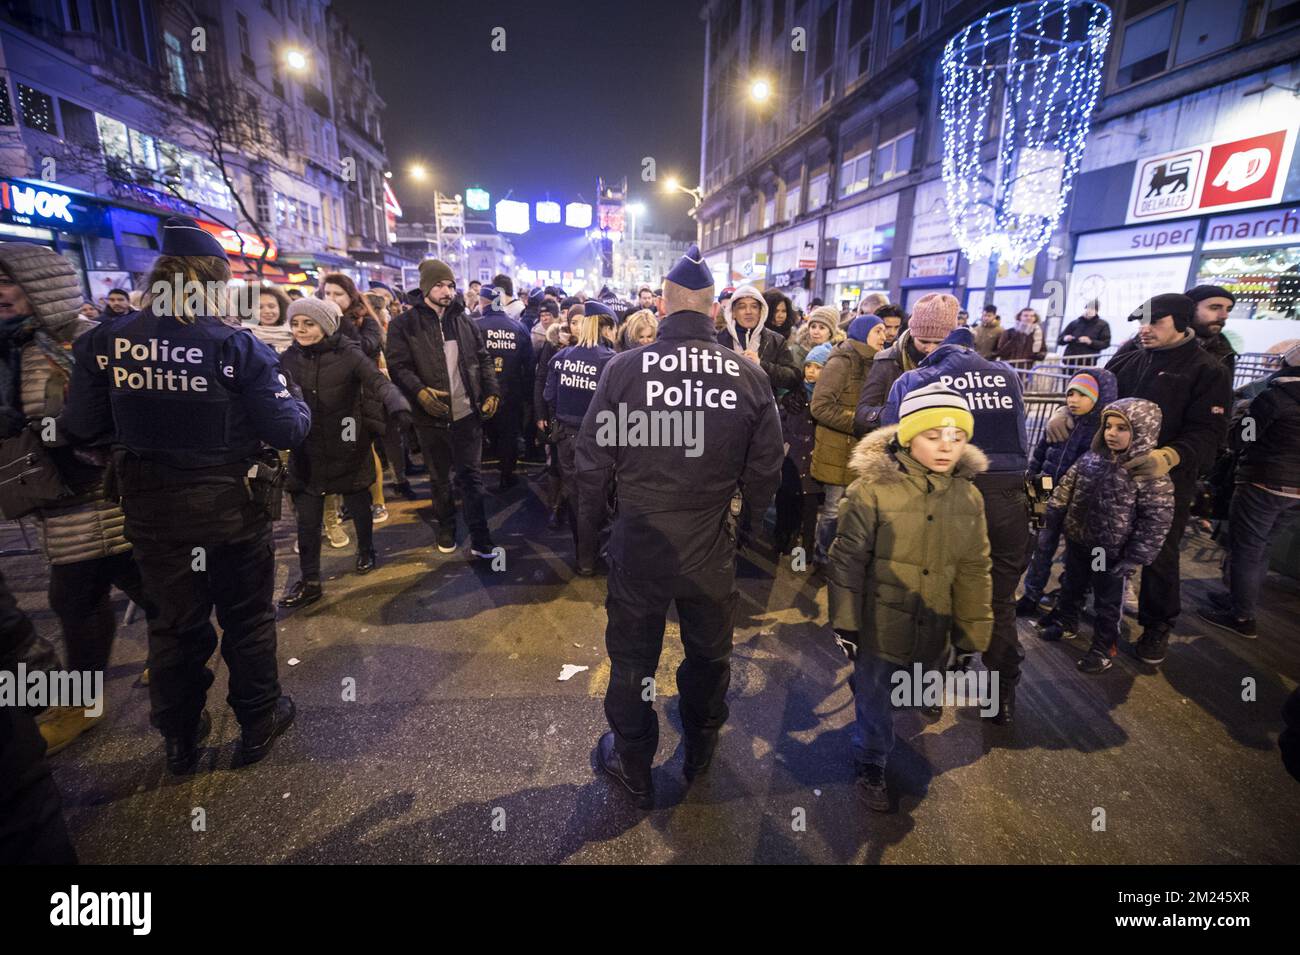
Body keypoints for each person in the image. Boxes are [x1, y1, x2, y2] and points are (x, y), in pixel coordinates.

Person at [60, 215, 311, 774]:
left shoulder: (106, 341)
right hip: (230, 511)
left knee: (175, 624)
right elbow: (287, 429)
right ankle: (258, 719)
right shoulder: (233, 345)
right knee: (245, 619)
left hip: (152, 512)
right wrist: (295, 400)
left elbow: (81, 428)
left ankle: (179, 736)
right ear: (214, 282)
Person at [575, 244, 784, 808]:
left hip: (639, 541)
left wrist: (587, 544)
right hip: (709, 545)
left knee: (634, 660)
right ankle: (700, 750)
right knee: (709, 655)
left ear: (664, 307)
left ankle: (634, 761)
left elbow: (591, 463)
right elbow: (767, 468)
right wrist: (742, 531)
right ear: (714, 311)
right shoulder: (747, 375)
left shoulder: (625, 368)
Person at [0, 242, 151, 754]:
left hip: (93, 491)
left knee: (74, 597)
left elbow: (112, 415)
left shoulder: (85, 343)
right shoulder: (17, 346)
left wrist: (51, 430)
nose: (0, 294)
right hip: (52, 493)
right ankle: (182, 645)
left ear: (40, 286)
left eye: (7, 282)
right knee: (139, 583)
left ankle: (76, 705)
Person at [827, 383, 992, 811]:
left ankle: (920, 695)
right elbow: (847, 560)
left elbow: (975, 567)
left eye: (957, 437)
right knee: (876, 693)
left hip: (934, 618)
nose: (946, 447)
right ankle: (871, 759)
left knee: (918, 680)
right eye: (933, 435)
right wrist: (846, 622)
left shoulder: (969, 496)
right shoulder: (872, 490)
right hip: (881, 622)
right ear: (907, 436)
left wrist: (971, 632)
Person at [879, 294, 1030, 723]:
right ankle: (1000, 694)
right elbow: (1021, 445)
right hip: (1008, 499)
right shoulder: (1005, 375)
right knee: (998, 601)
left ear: (921, 338)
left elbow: (895, 450)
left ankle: (926, 688)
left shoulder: (913, 382)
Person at [1079, 293, 1232, 665]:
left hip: (1165, 483)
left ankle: (1158, 625)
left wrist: (1170, 456)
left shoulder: (1207, 370)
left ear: (1181, 324)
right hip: (1112, 474)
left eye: (1155, 323)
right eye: (1141, 323)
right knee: (1097, 539)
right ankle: (1087, 600)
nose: (1144, 331)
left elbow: (1210, 432)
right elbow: (1094, 394)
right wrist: (1068, 412)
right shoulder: (1130, 359)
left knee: (1159, 554)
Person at [277, 298, 410, 608]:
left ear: (325, 325)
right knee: (307, 521)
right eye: (295, 323)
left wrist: (397, 404)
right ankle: (310, 581)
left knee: (358, 503)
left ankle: (366, 549)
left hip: (347, 443)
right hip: (307, 450)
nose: (301, 330)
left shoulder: (348, 353)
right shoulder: (288, 359)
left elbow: (377, 381)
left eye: (308, 323)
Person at [1036, 399, 1175, 673]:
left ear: (1143, 432)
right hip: (1078, 538)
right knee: (1071, 586)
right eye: (1109, 426)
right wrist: (1052, 512)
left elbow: (1156, 520)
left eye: (1122, 428)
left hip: (1110, 551)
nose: (1112, 433)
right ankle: (1066, 622)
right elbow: (1066, 487)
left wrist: (1135, 556)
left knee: (1106, 602)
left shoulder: (1149, 476)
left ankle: (1103, 647)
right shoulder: (1090, 458)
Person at [385, 258, 501, 558]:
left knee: (472, 478)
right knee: (439, 479)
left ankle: (480, 536)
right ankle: (447, 527)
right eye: (439, 285)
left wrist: (492, 392)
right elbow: (398, 366)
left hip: (467, 414)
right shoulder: (403, 325)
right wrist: (420, 393)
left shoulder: (465, 321)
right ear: (425, 289)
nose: (446, 291)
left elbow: (483, 358)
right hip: (431, 417)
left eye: (450, 284)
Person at [1198, 342, 1300, 638]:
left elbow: (1242, 437)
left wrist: (1240, 416)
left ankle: (1241, 616)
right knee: (1263, 546)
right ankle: (1239, 601)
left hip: (1264, 483)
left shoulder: (1275, 396)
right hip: (1295, 491)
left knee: (1246, 548)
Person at [1017, 369, 1118, 615]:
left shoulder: (1103, 434)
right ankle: (1031, 594)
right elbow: (1040, 453)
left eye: (1082, 395)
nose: (1073, 399)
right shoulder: (1060, 422)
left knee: (1076, 555)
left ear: (1099, 398)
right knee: (1039, 547)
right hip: (1043, 488)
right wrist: (1031, 484)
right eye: (1070, 393)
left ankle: (1069, 602)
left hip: (1075, 500)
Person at [544, 301, 617, 573]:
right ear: (604, 326)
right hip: (597, 440)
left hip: (566, 438)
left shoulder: (561, 357)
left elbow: (549, 396)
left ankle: (582, 553)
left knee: (576, 498)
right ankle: (589, 558)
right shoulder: (611, 361)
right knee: (594, 500)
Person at [810, 310, 885, 574]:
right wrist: (860, 421)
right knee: (833, 509)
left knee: (855, 510)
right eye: (878, 331)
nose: (884, 336)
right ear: (864, 332)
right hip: (837, 450)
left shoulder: (877, 362)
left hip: (861, 451)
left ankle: (845, 559)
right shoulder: (842, 361)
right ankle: (822, 559)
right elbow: (820, 407)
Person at [853, 294, 952, 436]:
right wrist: (894, 412)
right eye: (924, 341)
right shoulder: (887, 360)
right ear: (912, 334)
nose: (930, 348)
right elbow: (862, 413)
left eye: (938, 343)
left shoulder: (956, 362)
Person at [774, 341, 830, 556]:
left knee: (809, 508)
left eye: (818, 368)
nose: (811, 372)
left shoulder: (824, 397)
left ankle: (806, 548)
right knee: (786, 501)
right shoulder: (793, 396)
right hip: (792, 458)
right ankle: (782, 541)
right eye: (809, 366)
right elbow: (782, 423)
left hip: (813, 459)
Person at [477, 283, 534, 491]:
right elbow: (529, 366)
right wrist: (528, 396)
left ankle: (477, 479)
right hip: (511, 393)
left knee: (484, 434)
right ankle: (506, 475)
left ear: (484, 303)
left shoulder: (475, 326)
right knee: (509, 435)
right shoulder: (518, 328)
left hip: (482, 394)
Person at [534, 304, 577, 527]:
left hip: (576, 416)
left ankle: (567, 505)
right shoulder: (551, 345)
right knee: (555, 461)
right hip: (552, 414)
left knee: (572, 463)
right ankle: (554, 508)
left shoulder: (585, 347)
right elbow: (540, 378)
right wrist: (539, 413)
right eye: (573, 321)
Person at [717, 283, 800, 397]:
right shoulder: (718, 340)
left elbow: (793, 377)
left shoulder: (776, 340)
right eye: (742, 307)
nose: (748, 311)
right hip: (728, 408)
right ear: (733, 313)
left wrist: (761, 365)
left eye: (754, 306)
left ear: (761, 311)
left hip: (764, 410)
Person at [1187, 285, 1238, 376]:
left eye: (1228, 310)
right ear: (1190, 309)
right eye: (1214, 308)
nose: (1224, 316)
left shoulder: (1224, 349)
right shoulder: (1166, 343)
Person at [248, 285, 294, 353]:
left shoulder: (294, 333)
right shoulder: (247, 336)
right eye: (260, 307)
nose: (267, 311)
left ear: (281, 307)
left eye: (271, 306)